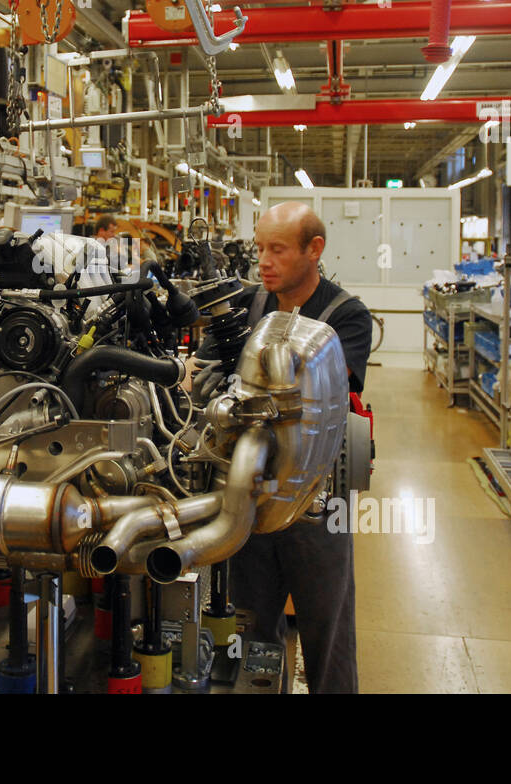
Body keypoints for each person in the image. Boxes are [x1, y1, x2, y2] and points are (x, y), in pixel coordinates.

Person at [201, 201, 372, 693]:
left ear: (314, 249)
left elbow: (326, 390)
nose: (264, 261)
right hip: (248, 490)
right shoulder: (250, 307)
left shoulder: (347, 316)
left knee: (327, 626)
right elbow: (212, 377)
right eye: (260, 248)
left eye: (277, 249)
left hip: (318, 497)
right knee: (249, 622)